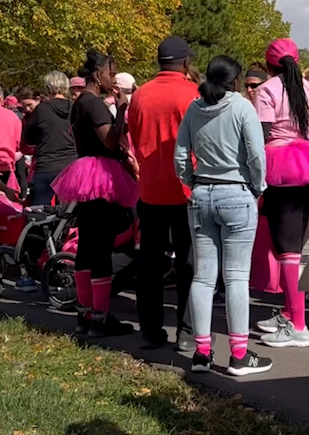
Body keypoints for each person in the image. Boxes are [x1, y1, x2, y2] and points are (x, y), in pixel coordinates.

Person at [175, 55, 272, 377]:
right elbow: (256, 154)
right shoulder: (243, 107)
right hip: (237, 193)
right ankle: (239, 354)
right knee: (236, 278)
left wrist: (192, 182)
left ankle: (201, 352)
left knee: (203, 277)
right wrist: (258, 186)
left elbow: (180, 155)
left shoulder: (194, 108)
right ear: (235, 80)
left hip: (202, 193)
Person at [51, 51, 139, 338]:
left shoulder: (81, 103)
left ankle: (85, 314)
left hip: (87, 174)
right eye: (111, 74)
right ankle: (99, 318)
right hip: (101, 176)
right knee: (100, 248)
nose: (113, 79)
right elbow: (110, 141)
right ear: (98, 74)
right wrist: (122, 110)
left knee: (88, 247)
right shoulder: (95, 104)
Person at [128, 37, 201, 351]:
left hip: (151, 188)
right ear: (184, 63)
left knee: (149, 262)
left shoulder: (140, 94)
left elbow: (134, 138)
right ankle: (186, 331)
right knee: (188, 263)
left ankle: (150, 330)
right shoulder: (193, 94)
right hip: (186, 190)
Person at [254, 37, 309, 348]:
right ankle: (289, 312)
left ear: (270, 65)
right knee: (297, 245)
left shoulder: (267, 90)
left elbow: (260, 135)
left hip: (281, 167)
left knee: (287, 248)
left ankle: (298, 325)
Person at [21, 71, 78, 208]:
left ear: (47, 87)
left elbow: (28, 137)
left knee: (39, 210)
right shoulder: (75, 108)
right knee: (70, 211)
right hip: (71, 165)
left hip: (46, 165)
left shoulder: (42, 110)